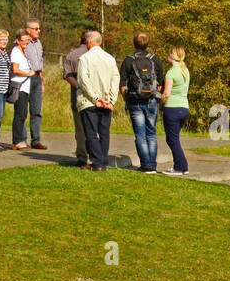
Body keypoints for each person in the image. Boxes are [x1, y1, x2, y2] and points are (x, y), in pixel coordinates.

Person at [119, 32, 164, 173]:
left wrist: (126, 98)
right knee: (151, 133)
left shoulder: (128, 60)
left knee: (140, 134)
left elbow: (122, 86)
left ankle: (146, 165)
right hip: (152, 101)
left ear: (134, 44)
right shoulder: (155, 60)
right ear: (147, 44)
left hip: (134, 101)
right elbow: (160, 85)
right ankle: (152, 165)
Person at [76, 30, 120, 170]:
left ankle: (97, 162)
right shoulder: (110, 58)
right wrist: (111, 100)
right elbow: (115, 79)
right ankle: (103, 161)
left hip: (89, 101)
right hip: (106, 100)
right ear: (99, 42)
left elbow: (84, 81)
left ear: (89, 42)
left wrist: (95, 98)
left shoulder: (85, 58)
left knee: (91, 132)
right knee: (104, 132)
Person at [159, 46, 191, 176]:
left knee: (172, 139)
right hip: (184, 107)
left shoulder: (171, 73)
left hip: (172, 108)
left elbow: (166, 93)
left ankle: (180, 166)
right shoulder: (185, 71)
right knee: (174, 139)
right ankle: (182, 166)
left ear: (172, 56)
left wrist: (160, 104)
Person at [61, 30, 90, 166]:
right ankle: (96, 154)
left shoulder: (72, 54)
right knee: (94, 126)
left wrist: (79, 87)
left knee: (80, 127)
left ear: (80, 40)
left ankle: (82, 156)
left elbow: (67, 75)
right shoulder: (100, 54)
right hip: (97, 95)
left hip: (77, 95)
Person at [9, 29, 34, 150]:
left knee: (23, 113)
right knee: (20, 114)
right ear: (18, 40)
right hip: (20, 86)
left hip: (25, 88)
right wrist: (28, 74)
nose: (26, 43)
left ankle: (20, 139)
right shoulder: (16, 52)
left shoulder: (22, 52)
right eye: (24, 40)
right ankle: (17, 141)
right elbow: (15, 69)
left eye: (28, 41)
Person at [24, 19, 46, 150]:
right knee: (22, 111)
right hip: (25, 77)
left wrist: (41, 81)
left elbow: (40, 62)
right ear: (28, 30)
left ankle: (36, 140)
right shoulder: (22, 42)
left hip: (37, 78)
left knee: (36, 110)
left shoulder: (38, 43)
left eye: (39, 28)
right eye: (36, 28)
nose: (39, 31)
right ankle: (21, 139)